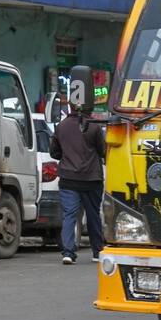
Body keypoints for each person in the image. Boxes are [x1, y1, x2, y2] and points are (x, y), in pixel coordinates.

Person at [50, 98, 106, 265]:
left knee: (69, 215)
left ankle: (68, 252)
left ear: (70, 106)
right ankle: (97, 252)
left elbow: (54, 152)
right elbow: (102, 150)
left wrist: (67, 157)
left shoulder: (61, 126)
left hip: (68, 178)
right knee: (93, 215)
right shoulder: (94, 126)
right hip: (91, 179)